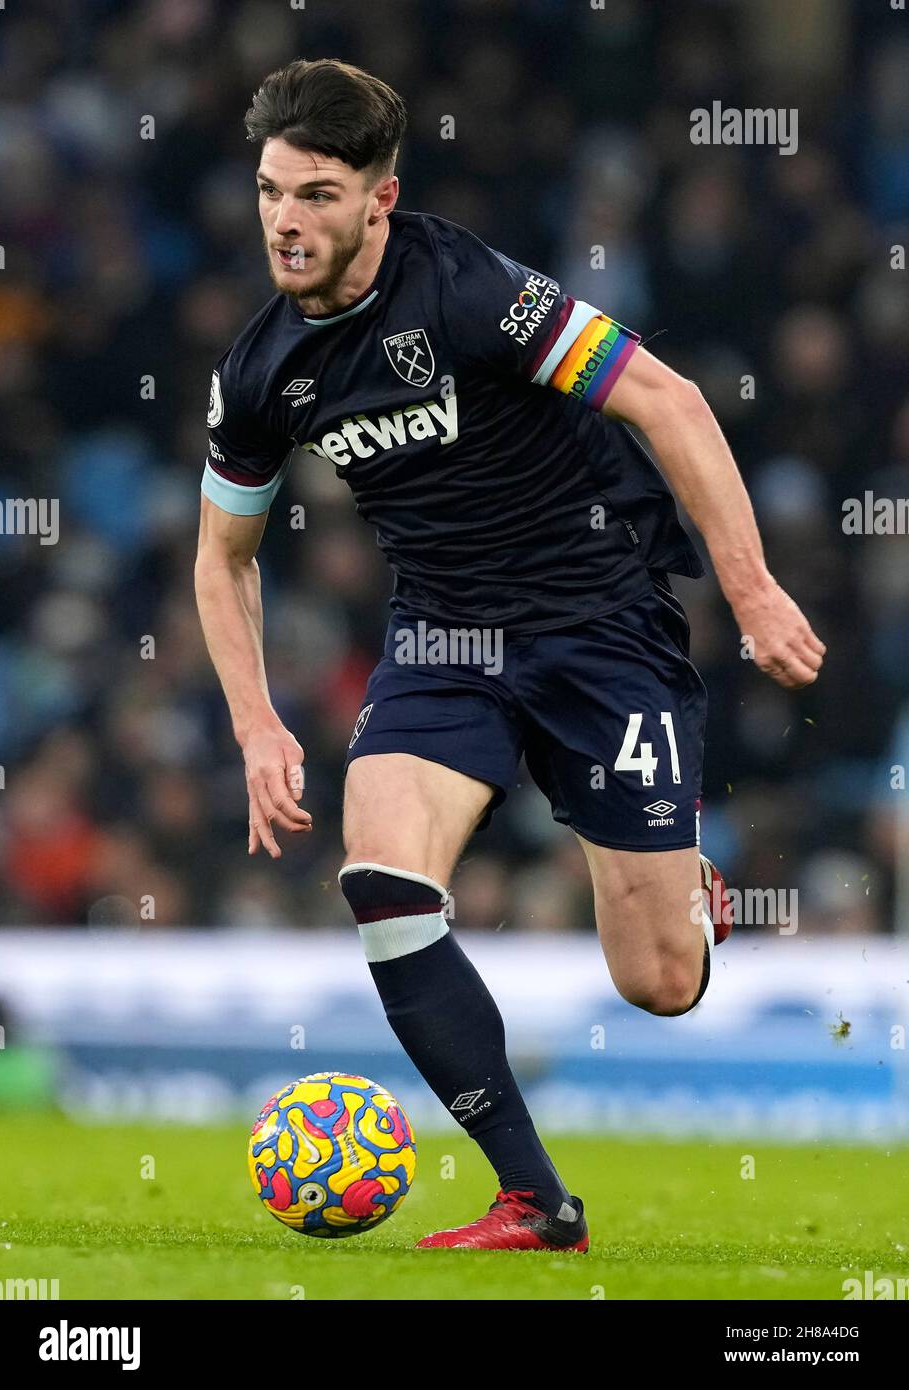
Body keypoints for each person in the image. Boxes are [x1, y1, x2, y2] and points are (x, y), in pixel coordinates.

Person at [194, 58, 825, 1251]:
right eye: (272, 190)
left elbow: (669, 400)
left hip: (599, 626)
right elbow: (220, 558)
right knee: (381, 884)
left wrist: (748, 590)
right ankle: (535, 1198)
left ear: (379, 200)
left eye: (318, 194)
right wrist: (255, 724)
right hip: (440, 637)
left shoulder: (471, 288)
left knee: (657, 981)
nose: (286, 219)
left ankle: (687, 894)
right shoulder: (259, 369)